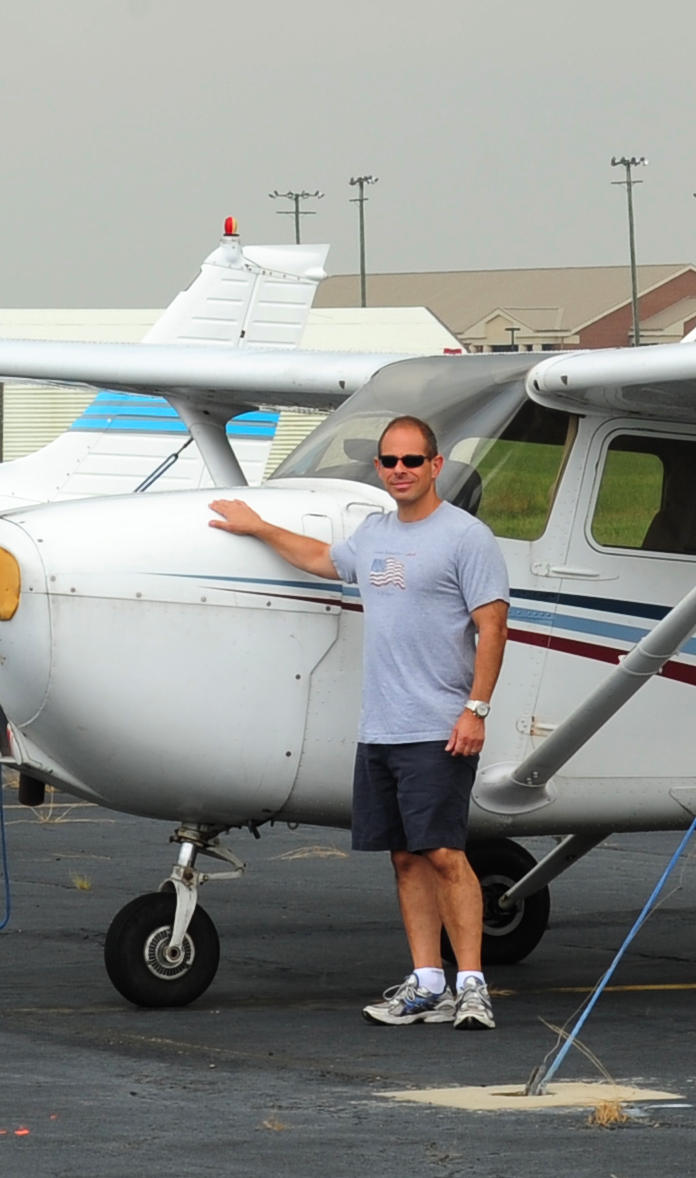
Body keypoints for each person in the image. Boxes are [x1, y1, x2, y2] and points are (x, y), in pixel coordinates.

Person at [209, 414, 511, 1030]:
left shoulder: (467, 537)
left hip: (438, 727)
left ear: (435, 465)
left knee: (445, 853)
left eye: (412, 461)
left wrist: (475, 709)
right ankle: (428, 983)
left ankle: (472, 985)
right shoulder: (373, 535)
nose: (400, 471)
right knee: (404, 858)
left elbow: (493, 625)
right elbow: (322, 557)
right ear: (380, 468)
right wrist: (258, 526)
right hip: (381, 728)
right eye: (389, 461)